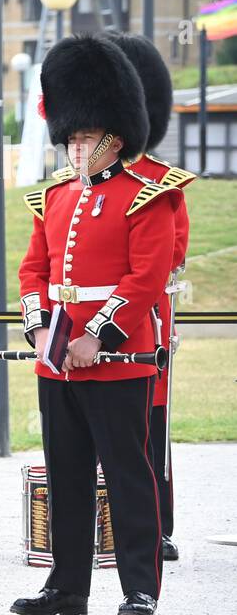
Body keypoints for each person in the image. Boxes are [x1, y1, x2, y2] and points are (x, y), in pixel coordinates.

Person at [11, 34, 177, 615]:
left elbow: (145, 280)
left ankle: (139, 588)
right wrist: (40, 330)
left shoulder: (146, 199)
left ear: (116, 136)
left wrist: (97, 338)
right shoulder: (55, 197)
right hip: (57, 359)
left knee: (128, 474)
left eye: (87, 137)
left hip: (117, 359)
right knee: (67, 475)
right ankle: (68, 585)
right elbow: (35, 269)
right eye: (73, 137)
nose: (77, 147)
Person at [98, 32, 194, 563]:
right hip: (88, 322)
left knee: (149, 433)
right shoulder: (77, 182)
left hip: (142, 322)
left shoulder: (161, 183)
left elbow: (173, 252)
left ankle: (158, 527)